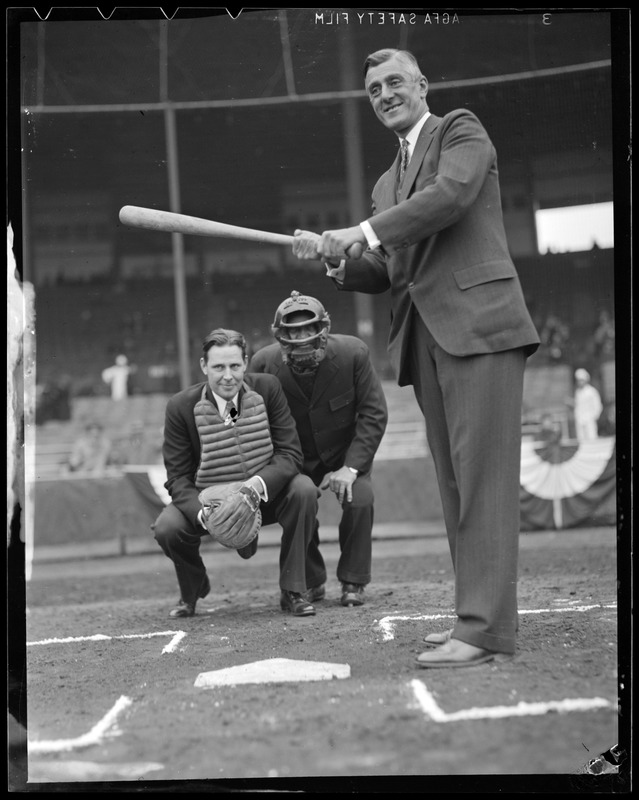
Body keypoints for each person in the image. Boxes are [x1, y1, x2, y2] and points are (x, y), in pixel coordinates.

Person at [292, 48, 540, 668]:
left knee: (482, 482)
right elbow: (387, 268)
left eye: (394, 81)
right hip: (424, 337)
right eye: (374, 89)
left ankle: (483, 631)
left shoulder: (459, 130)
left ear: (422, 85)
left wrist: (363, 231)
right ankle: (476, 619)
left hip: (479, 326)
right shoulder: (386, 184)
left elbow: (450, 197)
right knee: (456, 486)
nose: (384, 94)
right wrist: (341, 261)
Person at [152, 328, 319, 618]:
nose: (228, 376)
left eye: (234, 366)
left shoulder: (268, 388)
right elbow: (177, 478)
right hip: (212, 503)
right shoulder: (180, 406)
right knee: (167, 527)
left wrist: (253, 488)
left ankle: (293, 589)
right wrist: (205, 515)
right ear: (204, 366)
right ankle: (193, 587)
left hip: (263, 496)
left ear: (245, 363)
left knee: (304, 489)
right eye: (218, 367)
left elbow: (290, 454)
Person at [249, 291, 388, 608]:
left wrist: (350, 468)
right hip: (293, 458)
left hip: (344, 454)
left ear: (322, 329)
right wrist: (227, 421)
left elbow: (374, 414)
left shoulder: (354, 353)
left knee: (360, 498)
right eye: (293, 331)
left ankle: (353, 580)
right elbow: (244, 411)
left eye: (307, 329)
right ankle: (311, 581)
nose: (300, 338)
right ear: (280, 335)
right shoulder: (263, 363)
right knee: (302, 499)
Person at [566, 368, 603, 442]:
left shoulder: (592, 391)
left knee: (592, 439)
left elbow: (598, 406)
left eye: (581, 380)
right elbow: (578, 405)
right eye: (578, 380)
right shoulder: (578, 392)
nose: (580, 382)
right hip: (580, 420)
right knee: (581, 441)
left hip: (589, 420)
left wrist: (592, 418)